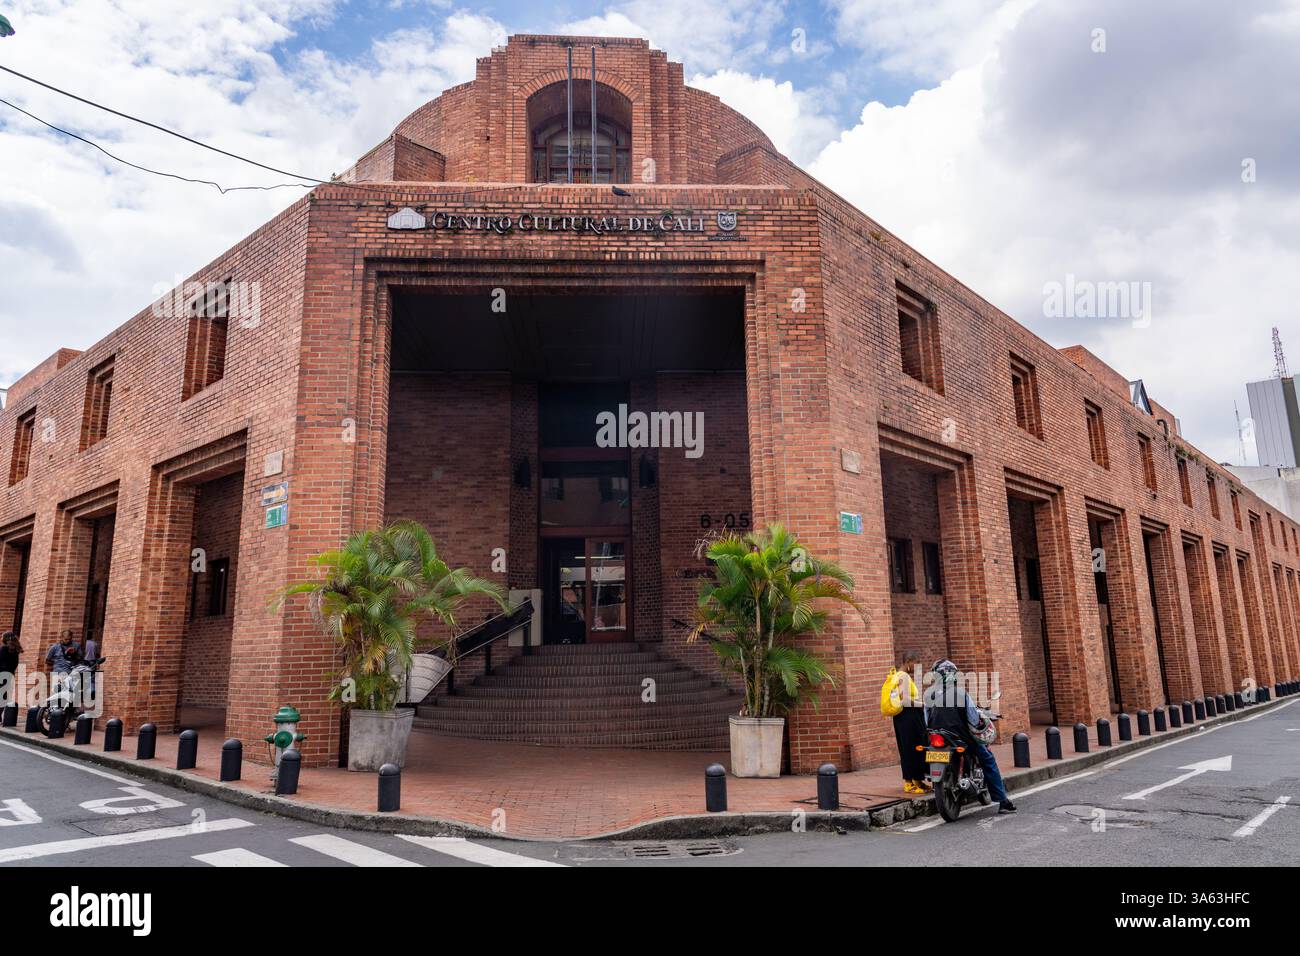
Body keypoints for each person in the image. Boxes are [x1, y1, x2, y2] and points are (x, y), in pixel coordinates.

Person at [924, 658, 1017, 814]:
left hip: (937, 736)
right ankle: (1003, 801)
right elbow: (973, 719)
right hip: (960, 737)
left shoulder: (928, 694)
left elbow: (926, 720)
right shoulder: (961, 694)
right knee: (987, 759)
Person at [882, 650, 930, 794]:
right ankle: (909, 782)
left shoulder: (900, 675)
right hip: (908, 717)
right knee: (910, 748)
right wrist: (923, 704)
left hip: (906, 717)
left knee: (914, 746)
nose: (917, 667)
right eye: (916, 664)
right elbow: (905, 700)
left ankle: (917, 780)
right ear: (909, 662)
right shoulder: (903, 676)